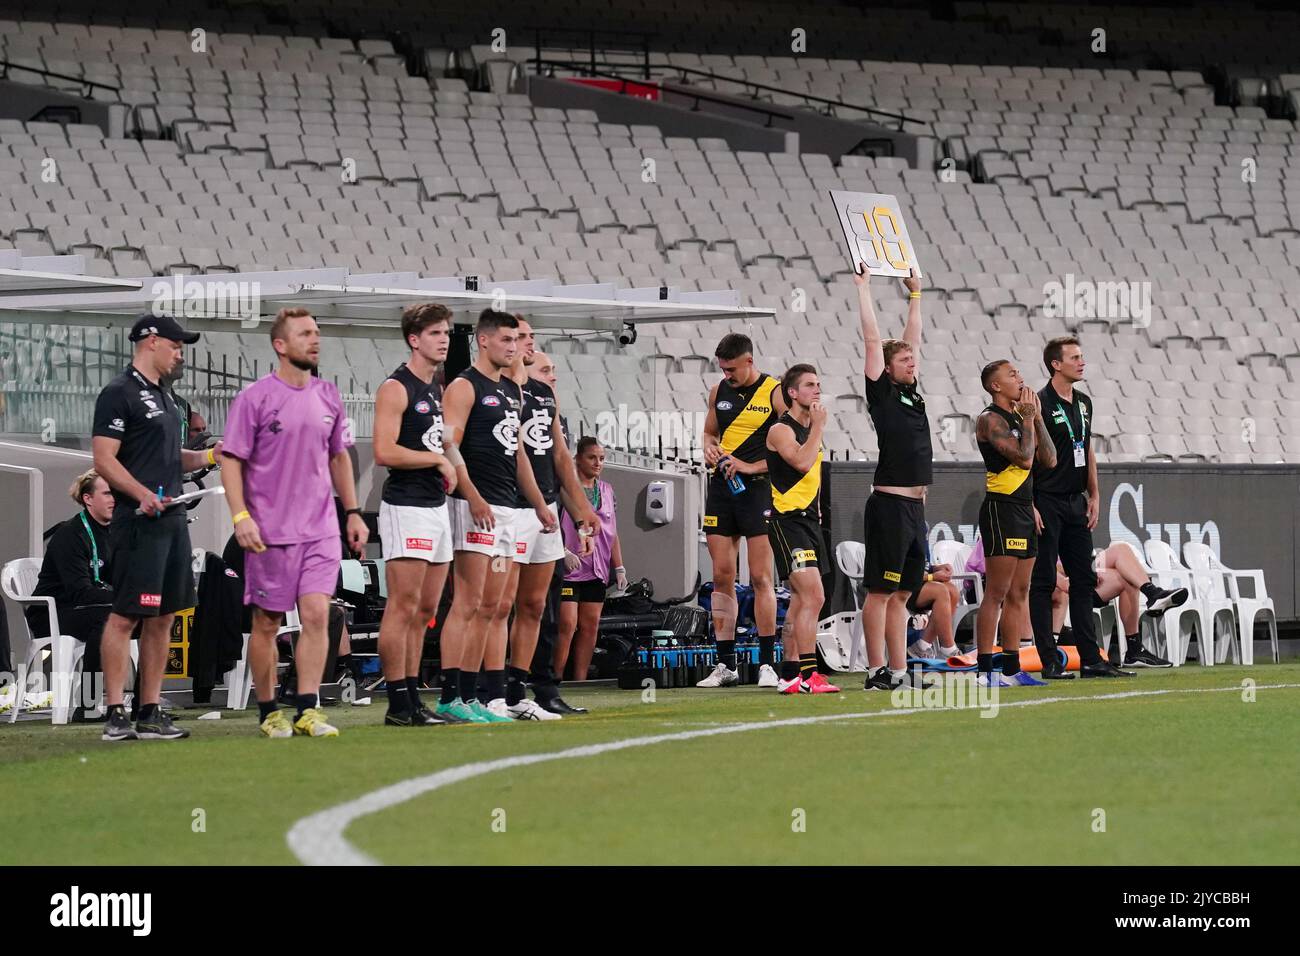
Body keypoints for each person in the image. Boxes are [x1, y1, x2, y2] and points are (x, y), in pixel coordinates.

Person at [221, 306, 368, 738]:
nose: (315, 339)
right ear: (280, 345)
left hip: (321, 528)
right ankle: (269, 712)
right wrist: (241, 515)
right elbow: (230, 461)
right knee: (267, 623)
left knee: (319, 614)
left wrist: (353, 511)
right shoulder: (256, 398)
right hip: (270, 532)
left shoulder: (329, 395)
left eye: (317, 332)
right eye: (305, 333)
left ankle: (308, 708)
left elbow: (339, 456)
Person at [92, 313, 219, 742]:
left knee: (165, 616)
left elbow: (172, 457)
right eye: (176, 345)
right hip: (138, 522)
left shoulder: (167, 398)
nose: (180, 354)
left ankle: (148, 709)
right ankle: (114, 713)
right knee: (127, 614)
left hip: (172, 520)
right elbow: (105, 460)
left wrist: (212, 457)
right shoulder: (118, 393)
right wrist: (141, 494)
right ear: (150, 342)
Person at [1027, 337, 1178, 679]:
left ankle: (1091, 659)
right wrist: (1031, 502)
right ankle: (1049, 660)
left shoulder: (1083, 403)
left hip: (1075, 501)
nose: (1082, 362)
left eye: (1082, 356)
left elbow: (1087, 449)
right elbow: (1028, 455)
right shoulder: (1038, 402)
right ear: (1056, 364)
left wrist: (1094, 494)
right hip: (1046, 499)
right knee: (1044, 580)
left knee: (1082, 580)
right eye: (1075, 357)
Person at [438, 309, 556, 723]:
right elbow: (447, 444)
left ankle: (472, 698)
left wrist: (539, 502)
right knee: (467, 602)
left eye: (516, 340)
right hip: (476, 508)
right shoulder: (463, 386)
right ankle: (450, 695)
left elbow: (518, 451)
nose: (514, 347)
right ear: (483, 341)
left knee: (492, 606)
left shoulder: (510, 391)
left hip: (508, 511)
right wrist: (470, 494)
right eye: (506, 340)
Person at [488, 322, 598, 720]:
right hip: (507, 509)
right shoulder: (491, 390)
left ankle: (523, 691)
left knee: (537, 605)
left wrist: (584, 512)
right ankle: (489, 690)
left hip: (544, 512)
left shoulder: (545, 398)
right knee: (498, 605)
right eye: (521, 334)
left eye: (529, 336)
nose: (529, 341)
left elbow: (560, 460)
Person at [372, 303, 461, 726]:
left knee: (426, 608)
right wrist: (435, 460)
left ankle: (412, 697)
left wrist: (450, 461)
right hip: (406, 506)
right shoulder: (397, 386)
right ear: (414, 339)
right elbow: (384, 450)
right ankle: (397, 702)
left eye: (446, 333)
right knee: (402, 606)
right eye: (435, 333)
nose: (443, 339)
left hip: (435, 507)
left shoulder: (435, 388)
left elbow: (438, 443)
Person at [856, 266, 932, 691]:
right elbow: (872, 340)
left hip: (914, 507)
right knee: (881, 593)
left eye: (911, 360)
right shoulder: (882, 392)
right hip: (888, 505)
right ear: (885, 369)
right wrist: (864, 289)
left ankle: (900, 672)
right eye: (903, 361)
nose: (911, 362)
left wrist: (916, 296)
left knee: (904, 594)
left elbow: (912, 339)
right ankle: (874, 670)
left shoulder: (910, 390)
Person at [698, 333, 784, 689]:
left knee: (761, 578)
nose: (727, 374)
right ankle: (725, 664)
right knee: (721, 577)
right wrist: (709, 448)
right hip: (722, 489)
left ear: (749, 361)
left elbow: (786, 450)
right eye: (723, 369)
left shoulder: (774, 392)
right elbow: (709, 432)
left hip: (759, 492)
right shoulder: (719, 391)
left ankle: (766, 663)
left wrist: (750, 467)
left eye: (731, 369)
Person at [972, 360, 1053, 687]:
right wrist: (1029, 421)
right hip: (1001, 510)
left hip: (1023, 509)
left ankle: (1011, 668)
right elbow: (1022, 458)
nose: (1020, 378)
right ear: (996, 386)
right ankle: (984, 669)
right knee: (997, 592)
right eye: (1012, 375)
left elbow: (1049, 459)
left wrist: (1037, 418)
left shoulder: (1025, 417)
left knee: (1021, 592)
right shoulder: (989, 419)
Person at [764, 364, 839, 694]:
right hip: (787, 522)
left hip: (809, 522)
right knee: (814, 596)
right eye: (810, 385)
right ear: (792, 393)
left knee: (799, 600)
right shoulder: (782, 430)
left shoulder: (811, 428)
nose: (817, 389)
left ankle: (790, 674)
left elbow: (813, 478)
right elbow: (802, 463)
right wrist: (819, 427)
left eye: (819, 383)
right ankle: (811, 676)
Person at [25, 470, 116, 715]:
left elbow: (117, 577)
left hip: (88, 608)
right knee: (108, 620)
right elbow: (80, 592)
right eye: (107, 493)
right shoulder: (70, 534)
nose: (114, 499)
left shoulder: (112, 532)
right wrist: (123, 599)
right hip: (52, 613)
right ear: (88, 499)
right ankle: (88, 706)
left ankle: (144, 705)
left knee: (150, 617)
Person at [553, 437, 624, 687]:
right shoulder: (564, 488)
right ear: (578, 459)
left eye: (602, 459)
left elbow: (611, 532)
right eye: (592, 457)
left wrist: (619, 566)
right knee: (567, 624)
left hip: (597, 568)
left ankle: (580, 682)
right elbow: (551, 523)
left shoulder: (606, 491)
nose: (598, 463)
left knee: (590, 625)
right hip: (570, 569)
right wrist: (562, 551)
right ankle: (555, 679)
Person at [1059, 544, 1182, 667]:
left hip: (1081, 567)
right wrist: (1065, 578)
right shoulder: (1046, 530)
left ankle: (1153, 593)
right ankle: (1135, 648)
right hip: (1065, 576)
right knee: (1128, 577)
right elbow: (1044, 562)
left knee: (1122, 550)